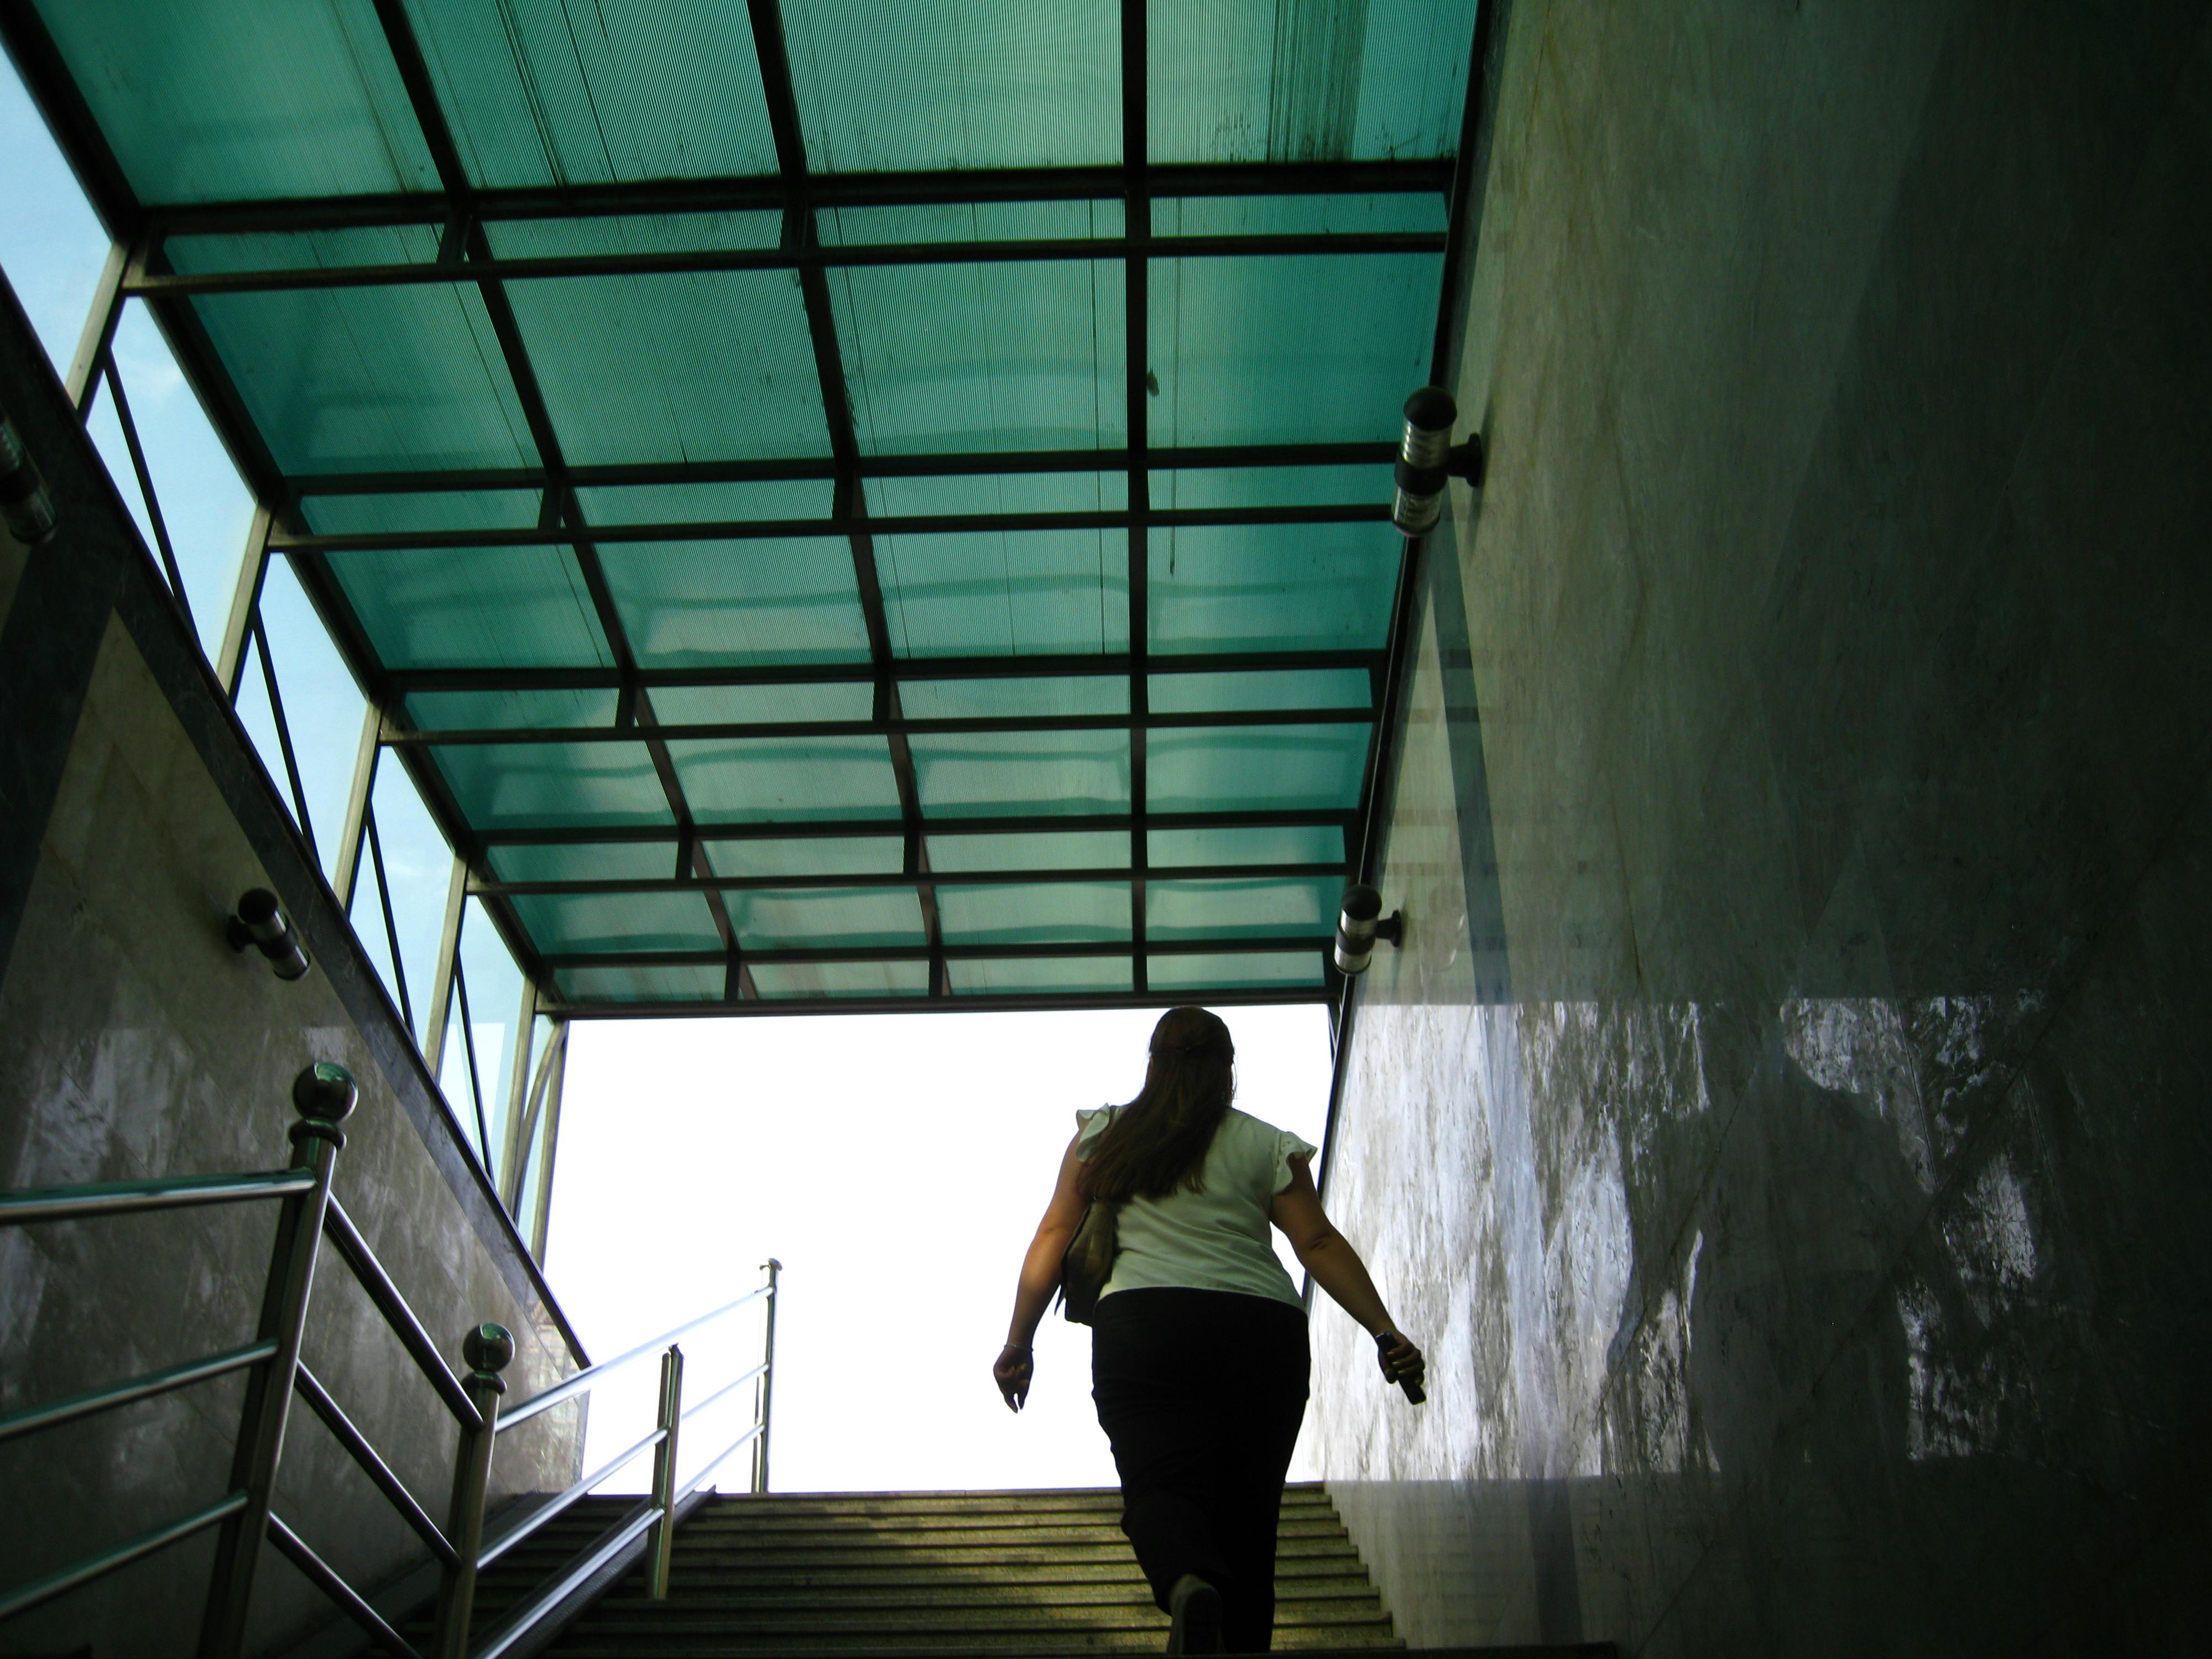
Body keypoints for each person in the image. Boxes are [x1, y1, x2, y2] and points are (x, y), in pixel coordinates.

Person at [992, 1006, 1426, 1655]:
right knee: (1251, 1520)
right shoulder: (1263, 1142)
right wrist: (1384, 1330)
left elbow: (1054, 1235)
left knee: (1159, 1485)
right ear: (1227, 1070)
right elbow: (1316, 1241)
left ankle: (1189, 1581)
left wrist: (1019, 1341)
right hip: (1263, 1331)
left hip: (1145, 1327)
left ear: (1153, 1064)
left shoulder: (1105, 1134)